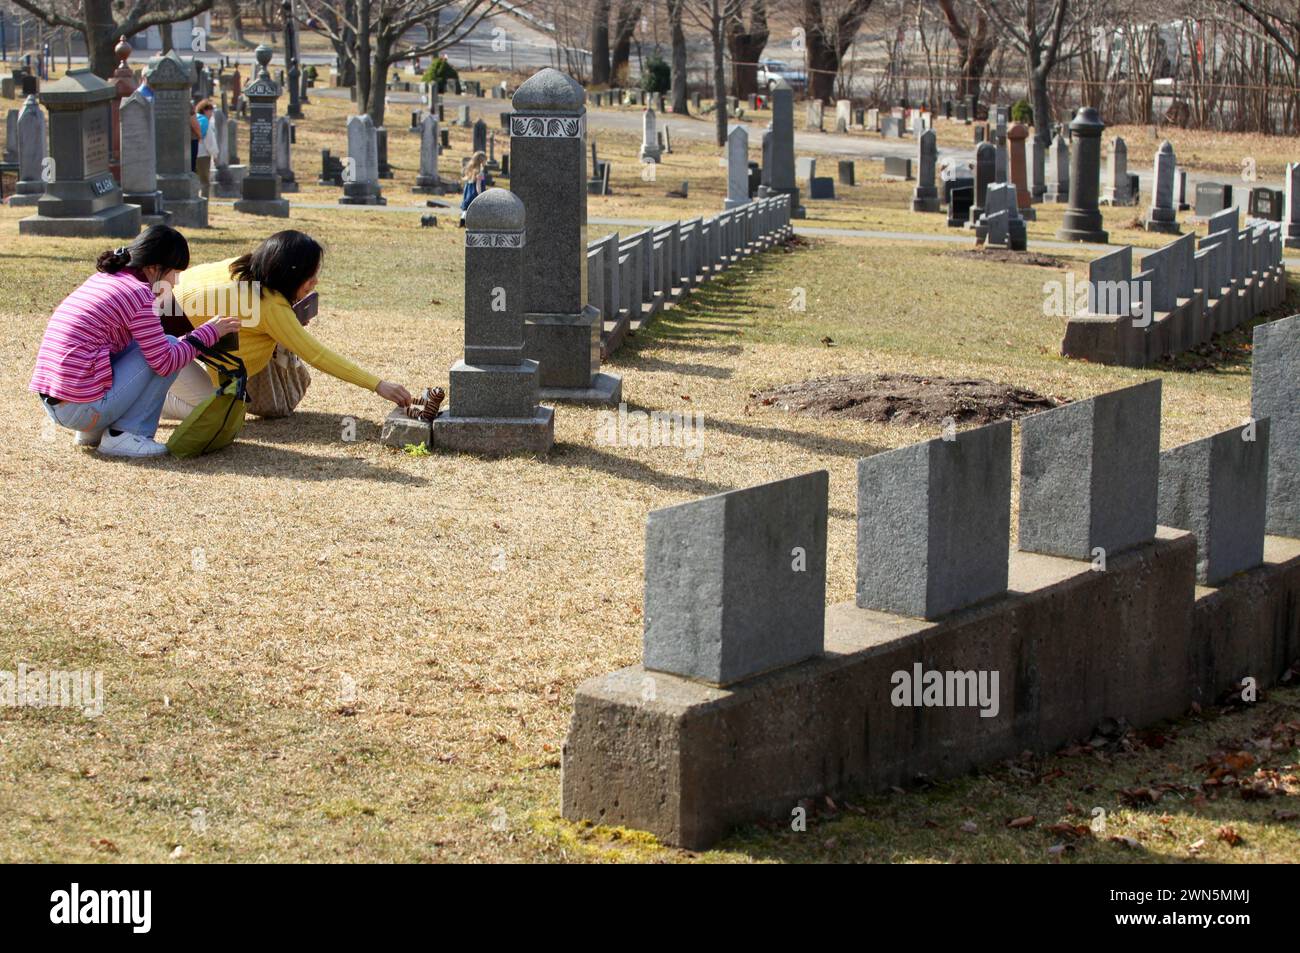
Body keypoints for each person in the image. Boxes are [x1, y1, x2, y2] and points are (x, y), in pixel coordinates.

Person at [29, 225, 240, 459]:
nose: (176, 282)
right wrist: (209, 332)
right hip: (81, 410)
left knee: (157, 345)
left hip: (60, 404)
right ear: (153, 267)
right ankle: (127, 435)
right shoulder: (138, 293)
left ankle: (94, 432)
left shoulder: (106, 279)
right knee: (167, 347)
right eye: (174, 273)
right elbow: (165, 362)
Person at [167, 230, 411, 419]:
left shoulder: (245, 266)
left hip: (166, 332)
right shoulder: (270, 305)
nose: (315, 282)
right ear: (289, 274)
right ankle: (151, 400)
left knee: (223, 404)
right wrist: (378, 385)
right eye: (309, 276)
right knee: (223, 415)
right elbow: (317, 355)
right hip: (158, 347)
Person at [194, 98, 218, 197]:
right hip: (203, 155)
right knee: (204, 182)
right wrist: (215, 154)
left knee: (194, 180)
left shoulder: (194, 119)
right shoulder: (205, 122)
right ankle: (203, 204)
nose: (211, 114)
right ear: (205, 110)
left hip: (191, 153)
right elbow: (210, 141)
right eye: (210, 111)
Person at [458, 151, 487, 227]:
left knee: (466, 208)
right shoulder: (480, 172)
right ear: (481, 161)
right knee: (475, 208)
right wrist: (481, 195)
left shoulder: (471, 170)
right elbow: (478, 184)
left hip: (468, 192)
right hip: (475, 193)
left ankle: (462, 220)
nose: (486, 163)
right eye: (485, 161)